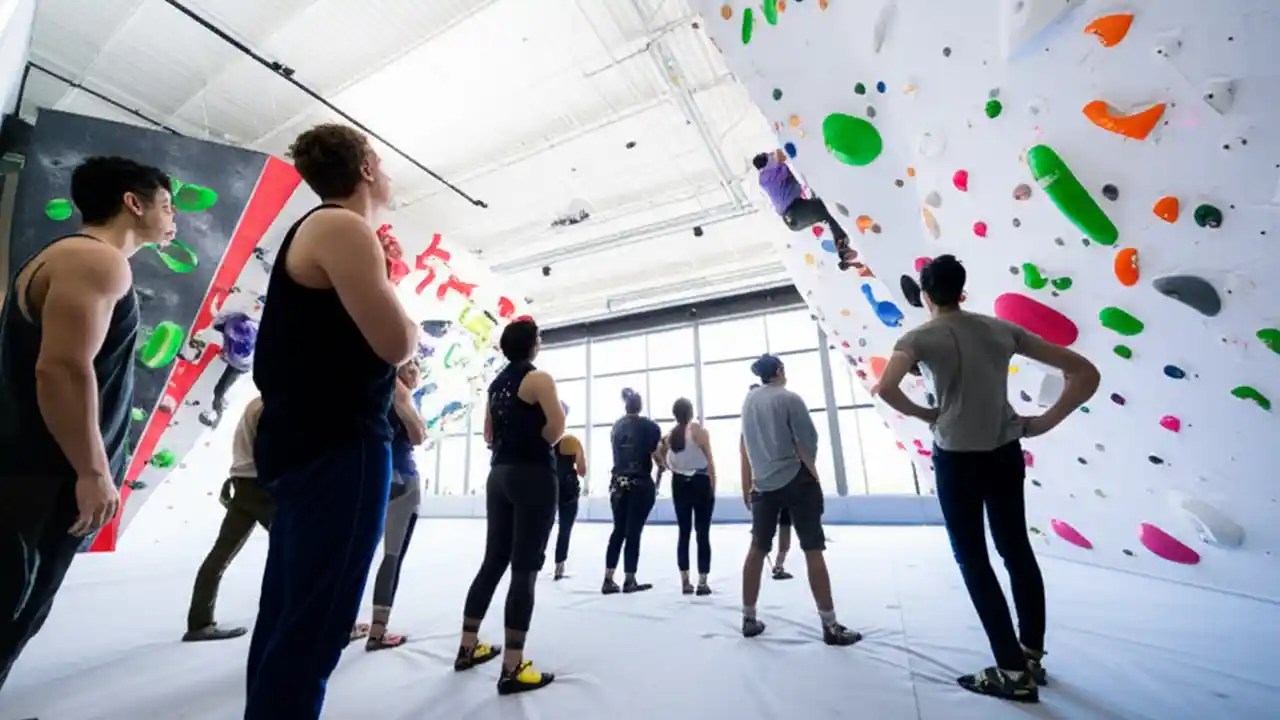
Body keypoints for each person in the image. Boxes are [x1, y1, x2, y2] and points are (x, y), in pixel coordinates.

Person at [246, 124, 417, 719]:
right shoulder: (344, 226)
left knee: (288, 614)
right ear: (367, 167)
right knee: (316, 626)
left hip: (305, 444)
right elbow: (397, 342)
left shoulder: (319, 230)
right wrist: (404, 314)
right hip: (340, 447)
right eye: (386, 164)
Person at [873, 254, 1099, 704]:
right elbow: (1085, 373)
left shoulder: (918, 336)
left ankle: (1011, 672)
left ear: (924, 294)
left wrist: (926, 415)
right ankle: (1030, 653)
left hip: (957, 459)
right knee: (1016, 549)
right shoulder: (1001, 330)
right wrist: (1044, 422)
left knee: (974, 561)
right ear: (962, 290)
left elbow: (886, 387)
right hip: (1004, 450)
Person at [0, 156, 175, 690]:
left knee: (21, 608)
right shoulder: (97, 261)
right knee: (13, 606)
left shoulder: (71, 257)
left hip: (36, 470)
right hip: (44, 475)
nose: (174, 219)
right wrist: (93, 472)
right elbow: (61, 370)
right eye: (167, 206)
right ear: (133, 203)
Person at [456, 318, 563, 695]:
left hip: (497, 475)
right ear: (533, 344)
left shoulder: (496, 384)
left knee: (493, 560)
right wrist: (536, 445)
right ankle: (512, 667)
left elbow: (488, 434)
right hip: (532, 475)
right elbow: (557, 426)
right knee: (524, 568)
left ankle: (467, 648)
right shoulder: (539, 379)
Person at [738, 354, 861, 646]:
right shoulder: (790, 399)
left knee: (757, 548)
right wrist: (813, 474)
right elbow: (807, 441)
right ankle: (830, 626)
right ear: (780, 371)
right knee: (812, 549)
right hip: (795, 478)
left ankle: (748, 618)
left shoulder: (749, 402)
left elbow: (745, 446)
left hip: (763, 484)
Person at [183, 397, 273, 642]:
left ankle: (199, 623)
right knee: (298, 553)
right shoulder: (271, 405)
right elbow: (273, 454)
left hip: (242, 483)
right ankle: (303, 622)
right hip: (262, 486)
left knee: (220, 555)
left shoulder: (255, 402)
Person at [364, 362, 428, 651]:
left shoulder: (370, 388)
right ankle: (378, 632)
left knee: (357, 554)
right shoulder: (400, 393)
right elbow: (418, 435)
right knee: (393, 556)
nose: (417, 375)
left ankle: (342, 624)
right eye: (412, 369)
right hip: (401, 476)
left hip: (371, 476)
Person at [602, 388, 662, 595]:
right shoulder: (650, 427)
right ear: (640, 406)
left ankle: (608, 578)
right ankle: (630, 579)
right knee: (633, 532)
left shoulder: (616, 427)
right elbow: (657, 456)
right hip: (640, 485)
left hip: (618, 484)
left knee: (618, 530)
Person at [752, 151, 855, 269]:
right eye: (770, 156)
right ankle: (842, 245)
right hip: (795, 211)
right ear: (768, 161)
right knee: (826, 210)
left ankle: (842, 245)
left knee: (822, 207)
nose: (773, 156)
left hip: (793, 214)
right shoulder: (770, 174)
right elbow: (789, 160)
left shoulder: (765, 176)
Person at [657, 398, 716, 595]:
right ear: (691, 413)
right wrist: (713, 485)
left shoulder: (670, 436)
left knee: (684, 532)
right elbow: (710, 459)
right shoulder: (697, 430)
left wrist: (669, 467)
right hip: (700, 481)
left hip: (679, 483)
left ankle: (685, 581)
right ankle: (702, 581)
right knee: (702, 532)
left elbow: (659, 455)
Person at [749, 382, 794, 582]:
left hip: (771, 485)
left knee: (770, 534)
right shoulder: (771, 425)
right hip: (774, 484)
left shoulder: (752, 429)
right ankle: (778, 565)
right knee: (768, 536)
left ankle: (778, 564)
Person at [199, 311, 259, 428]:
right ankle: (218, 411)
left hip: (241, 365)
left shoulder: (240, 356)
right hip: (242, 361)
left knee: (219, 390)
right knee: (220, 390)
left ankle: (218, 413)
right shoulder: (251, 328)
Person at [552, 401, 586, 581]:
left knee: (541, 528)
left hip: (545, 489)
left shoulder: (540, 441)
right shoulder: (572, 441)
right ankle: (559, 566)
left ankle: (534, 563)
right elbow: (582, 470)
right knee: (564, 529)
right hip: (568, 491)